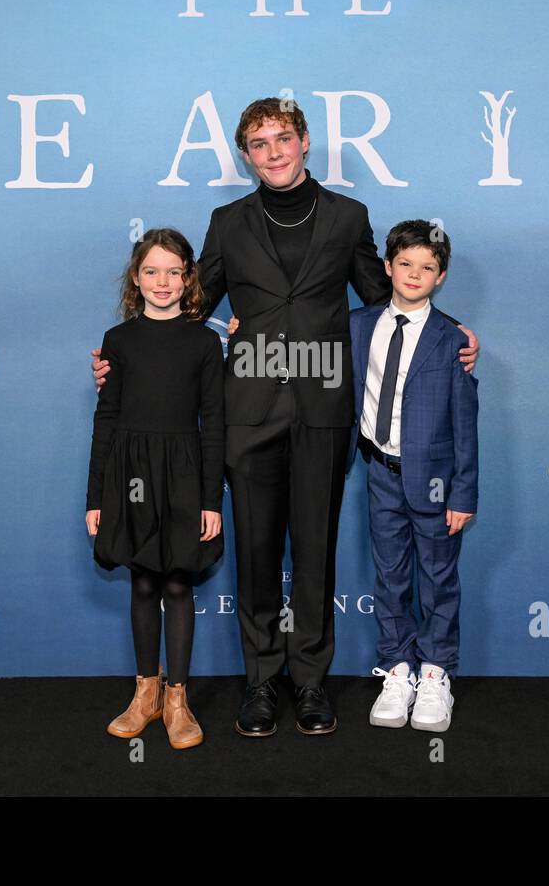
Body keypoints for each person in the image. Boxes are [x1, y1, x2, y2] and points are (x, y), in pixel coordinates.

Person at [94, 98, 479, 738]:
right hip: (247, 412)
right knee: (255, 553)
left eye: (282, 139)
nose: (272, 152)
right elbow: (189, 308)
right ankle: (261, 683)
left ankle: (309, 683)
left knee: (315, 552)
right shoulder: (227, 221)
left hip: (326, 412)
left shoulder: (349, 216)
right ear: (246, 155)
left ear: (304, 142)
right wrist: (126, 361)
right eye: (258, 143)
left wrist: (448, 331)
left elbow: (390, 293)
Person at [85, 228, 225, 750]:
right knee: (143, 581)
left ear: (188, 277)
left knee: (177, 584)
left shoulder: (205, 342)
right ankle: (145, 692)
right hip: (129, 476)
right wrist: (96, 497)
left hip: (184, 475)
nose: (161, 281)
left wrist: (212, 499)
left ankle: (177, 699)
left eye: (173, 271)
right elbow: (106, 418)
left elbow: (215, 423)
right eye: (151, 271)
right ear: (135, 278)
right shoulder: (118, 341)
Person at [351, 220, 478, 732]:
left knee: (439, 578)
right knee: (391, 575)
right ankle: (398, 668)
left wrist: (463, 491)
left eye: (427, 267)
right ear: (387, 267)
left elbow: (466, 423)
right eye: (405, 264)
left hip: (436, 481)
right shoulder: (359, 325)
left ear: (441, 276)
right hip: (380, 470)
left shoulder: (452, 339)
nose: (414, 273)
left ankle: (435, 672)